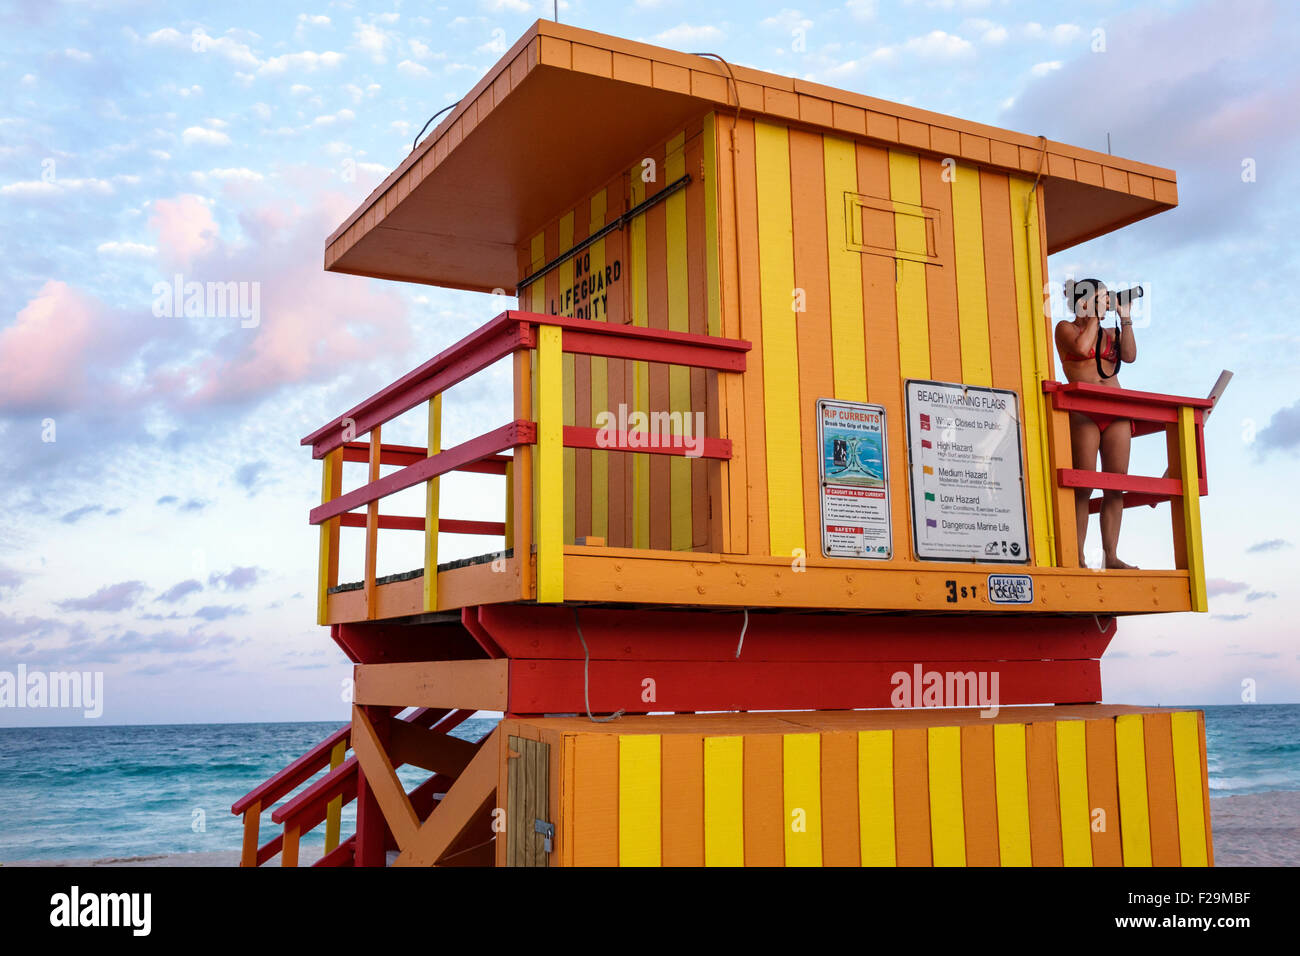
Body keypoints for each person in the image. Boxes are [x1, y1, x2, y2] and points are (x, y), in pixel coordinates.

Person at [1054, 278, 1138, 570]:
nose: (1105, 303)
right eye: (1100, 298)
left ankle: (1111, 556)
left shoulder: (1110, 332)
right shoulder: (1065, 328)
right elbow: (1080, 349)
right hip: (1084, 410)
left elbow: (1129, 356)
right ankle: (1077, 557)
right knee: (1084, 484)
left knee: (1117, 484)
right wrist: (1091, 316)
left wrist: (1125, 318)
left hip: (1115, 409)